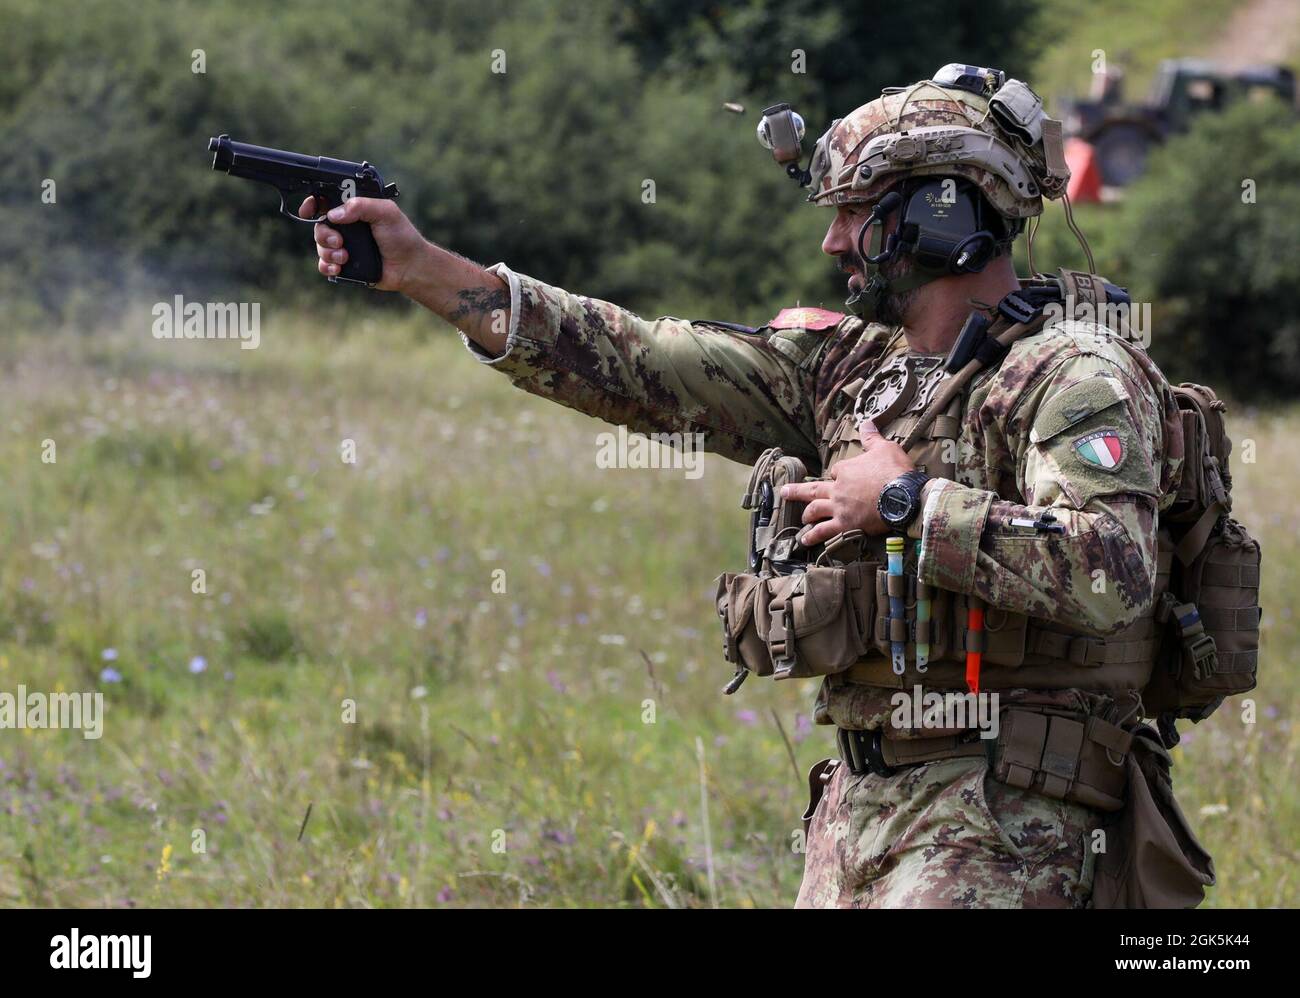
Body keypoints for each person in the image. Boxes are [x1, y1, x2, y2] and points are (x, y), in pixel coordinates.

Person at [300, 65, 1188, 908]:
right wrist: (419, 269)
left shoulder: (1073, 372)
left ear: (941, 211)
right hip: (863, 803)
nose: (832, 240)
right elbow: (639, 364)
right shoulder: (853, 368)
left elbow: (1112, 572)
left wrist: (907, 504)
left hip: (1015, 815)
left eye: (855, 214)